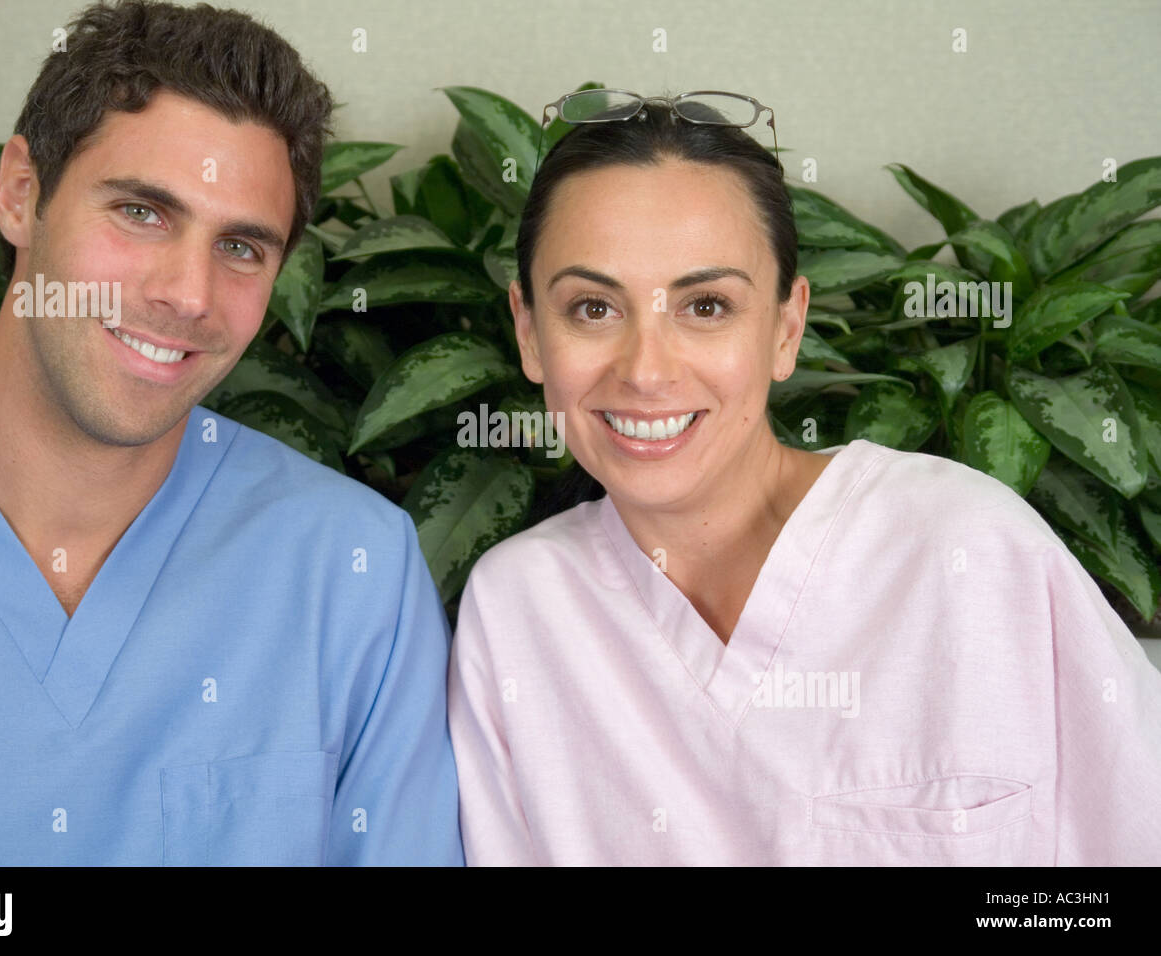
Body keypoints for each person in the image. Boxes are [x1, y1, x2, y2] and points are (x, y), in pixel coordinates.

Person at [446, 90, 1161, 865]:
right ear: (528, 332)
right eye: (591, 308)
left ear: (786, 329)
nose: (646, 370)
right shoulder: (519, 611)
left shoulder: (970, 551)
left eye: (707, 305)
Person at [0, 0, 463, 866]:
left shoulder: (351, 569)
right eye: (142, 212)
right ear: (21, 194)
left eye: (243, 248)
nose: (188, 294)